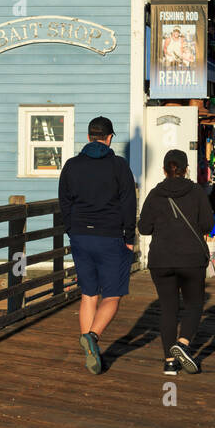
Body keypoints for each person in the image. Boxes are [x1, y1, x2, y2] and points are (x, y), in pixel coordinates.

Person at [58, 116, 137, 375]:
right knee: (112, 295)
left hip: (80, 236)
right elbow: (128, 204)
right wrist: (129, 238)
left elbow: (64, 202)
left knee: (88, 294)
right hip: (110, 236)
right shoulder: (119, 166)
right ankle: (92, 337)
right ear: (109, 137)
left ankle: (89, 352)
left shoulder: (71, 165)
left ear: (89, 136)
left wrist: (71, 228)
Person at [138, 148, 215, 376]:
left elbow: (143, 228)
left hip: (161, 260)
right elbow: (209, 225)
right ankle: (182, 344)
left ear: (164, 170)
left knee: (168, 309)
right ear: (186, 169)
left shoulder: (155, 194)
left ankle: (170, 362)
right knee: (193, 305)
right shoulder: (197, 192)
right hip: (191, 259)